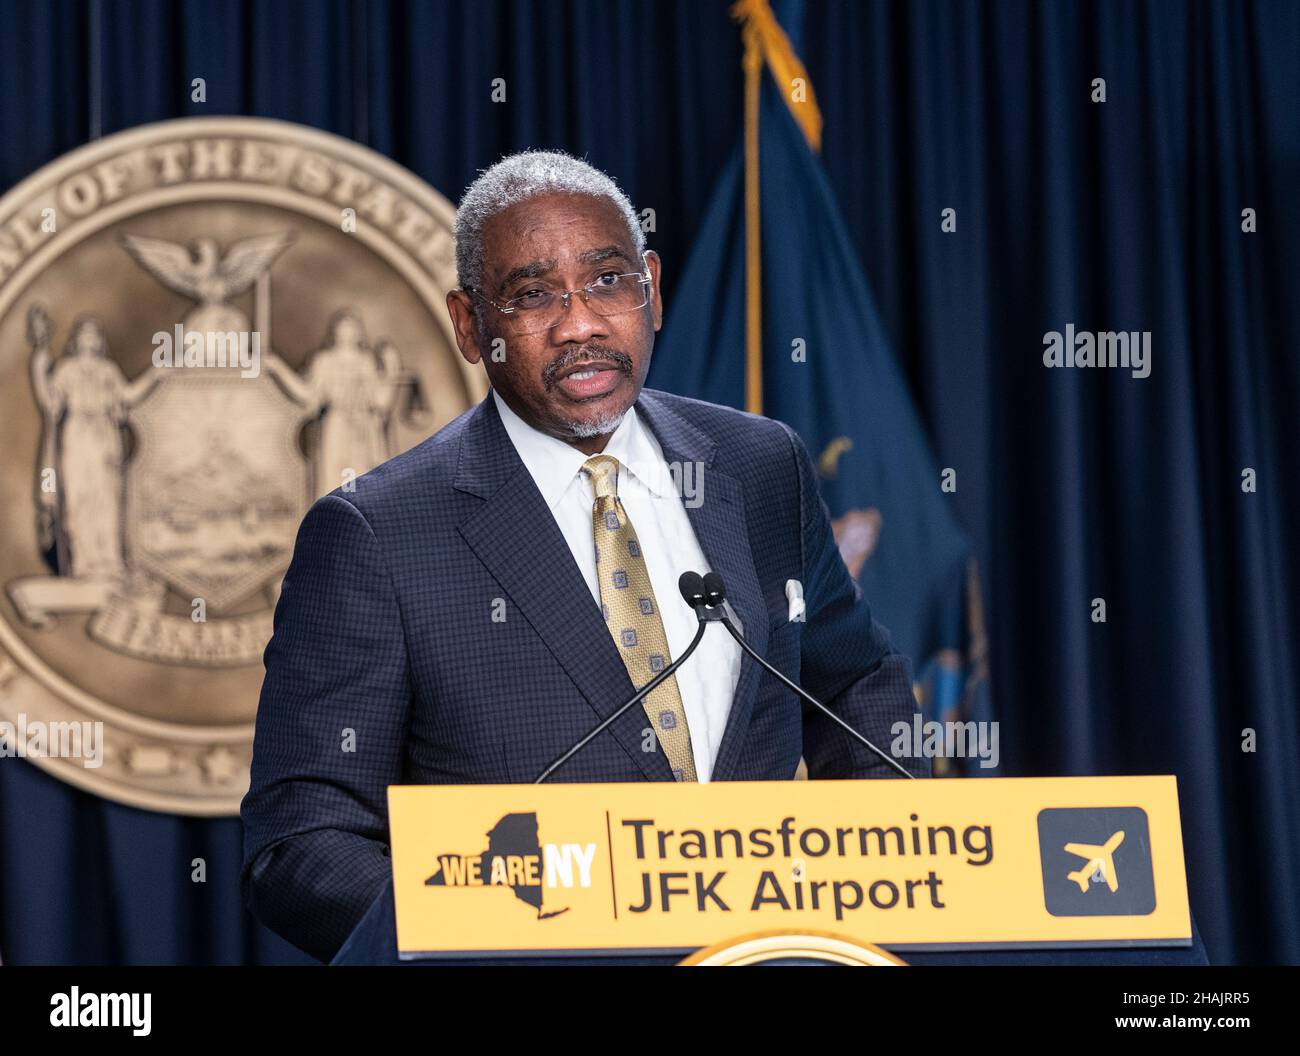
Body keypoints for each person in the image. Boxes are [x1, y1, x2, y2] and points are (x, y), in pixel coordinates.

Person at [241, 150, 926, 963]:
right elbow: (303, 836)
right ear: (470, 326)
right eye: (532, 295)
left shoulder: (758, 465)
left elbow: (852, 684)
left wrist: (889, 881)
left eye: (608, 281)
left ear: (653, 289)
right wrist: (484, 938)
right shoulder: (377, 533)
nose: (580, 324)